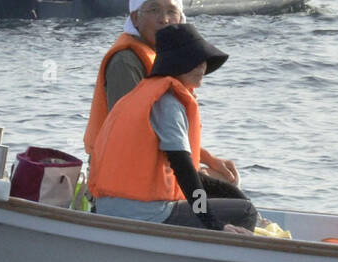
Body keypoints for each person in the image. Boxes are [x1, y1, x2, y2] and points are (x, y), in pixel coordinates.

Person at [89, 22, 260, 232]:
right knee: (245, 211)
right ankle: (215, 261)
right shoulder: (168, 103)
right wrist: (212, 223)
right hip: (148, 215)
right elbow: (183, 169)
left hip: (107, 209)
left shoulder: (140, 96)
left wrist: (231, 194)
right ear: (175, 64)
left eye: (203, 61)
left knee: (231, 198)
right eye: (193, 62)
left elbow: (188, 175)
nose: (202, 67)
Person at [83, 0, 243, 198]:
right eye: (154, 10)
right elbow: (130, 132)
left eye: (171, 11)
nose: (164, 19)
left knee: (226, 176)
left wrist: (207, 158)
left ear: (181, 19)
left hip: (157, 165)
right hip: (121, 174)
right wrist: (196, 166)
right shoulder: (125, 61)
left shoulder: (169, 60)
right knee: (226, 194)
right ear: (135, 18)